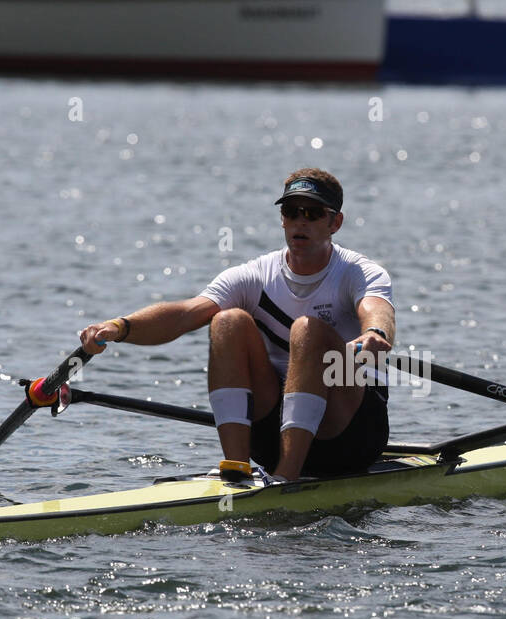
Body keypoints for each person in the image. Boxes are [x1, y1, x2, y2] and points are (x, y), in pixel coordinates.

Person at [78, 168, 395, 483]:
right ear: (282, 218)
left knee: (307, 329)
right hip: (274, 438)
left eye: (312, 213)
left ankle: (286, 478)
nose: (300, 221)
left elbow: (376, 308)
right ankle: (237, 469)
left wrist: (375, 332)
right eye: (291, 211)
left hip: (349, 436)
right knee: (227, 320)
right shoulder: (254, 275)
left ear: (334, 223)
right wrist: (119, 327)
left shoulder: (358, 272)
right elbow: (185, 313)